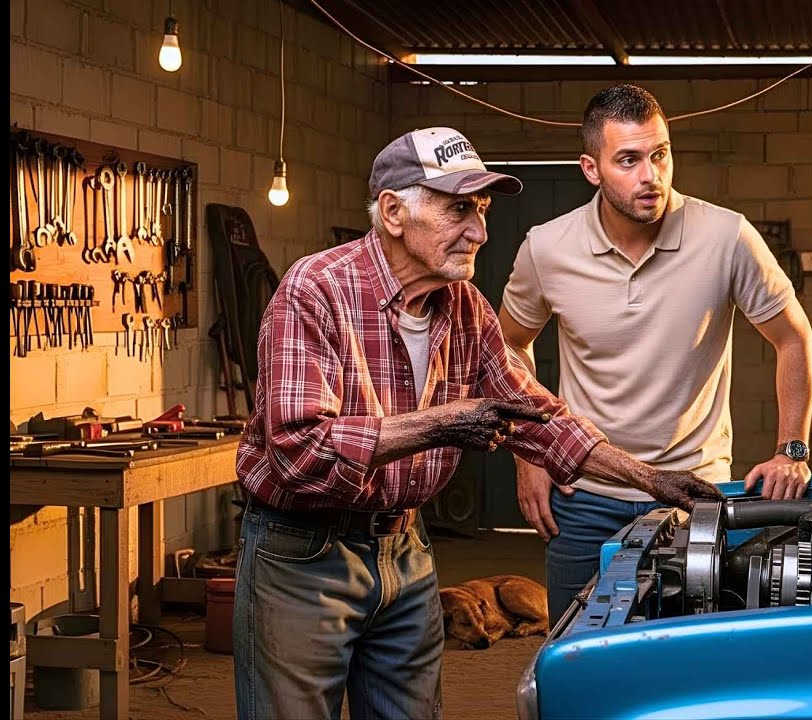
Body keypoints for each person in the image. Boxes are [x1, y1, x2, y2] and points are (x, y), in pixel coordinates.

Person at [232, 126, 724, 720]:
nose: (480, 231)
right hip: (302, 553)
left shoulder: (464, 306)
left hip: (403, 548)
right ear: (393, 212)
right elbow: (298, 450)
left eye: (483, 210)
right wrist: (442, 423)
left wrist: (650, 479)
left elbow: (537, 417)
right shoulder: (316, 290)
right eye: (459, 208)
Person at [499, 85, 812, 621]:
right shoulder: (546, 248)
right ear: (591, 168)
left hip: (694, 492)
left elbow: (793, 337)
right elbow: (509, 344)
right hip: (585, 497)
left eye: (660, 154)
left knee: (685, 668)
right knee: (575, 663)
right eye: (628, 160)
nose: (651, 175)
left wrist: (793, 449)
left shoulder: (726, 236)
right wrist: (530, 452)